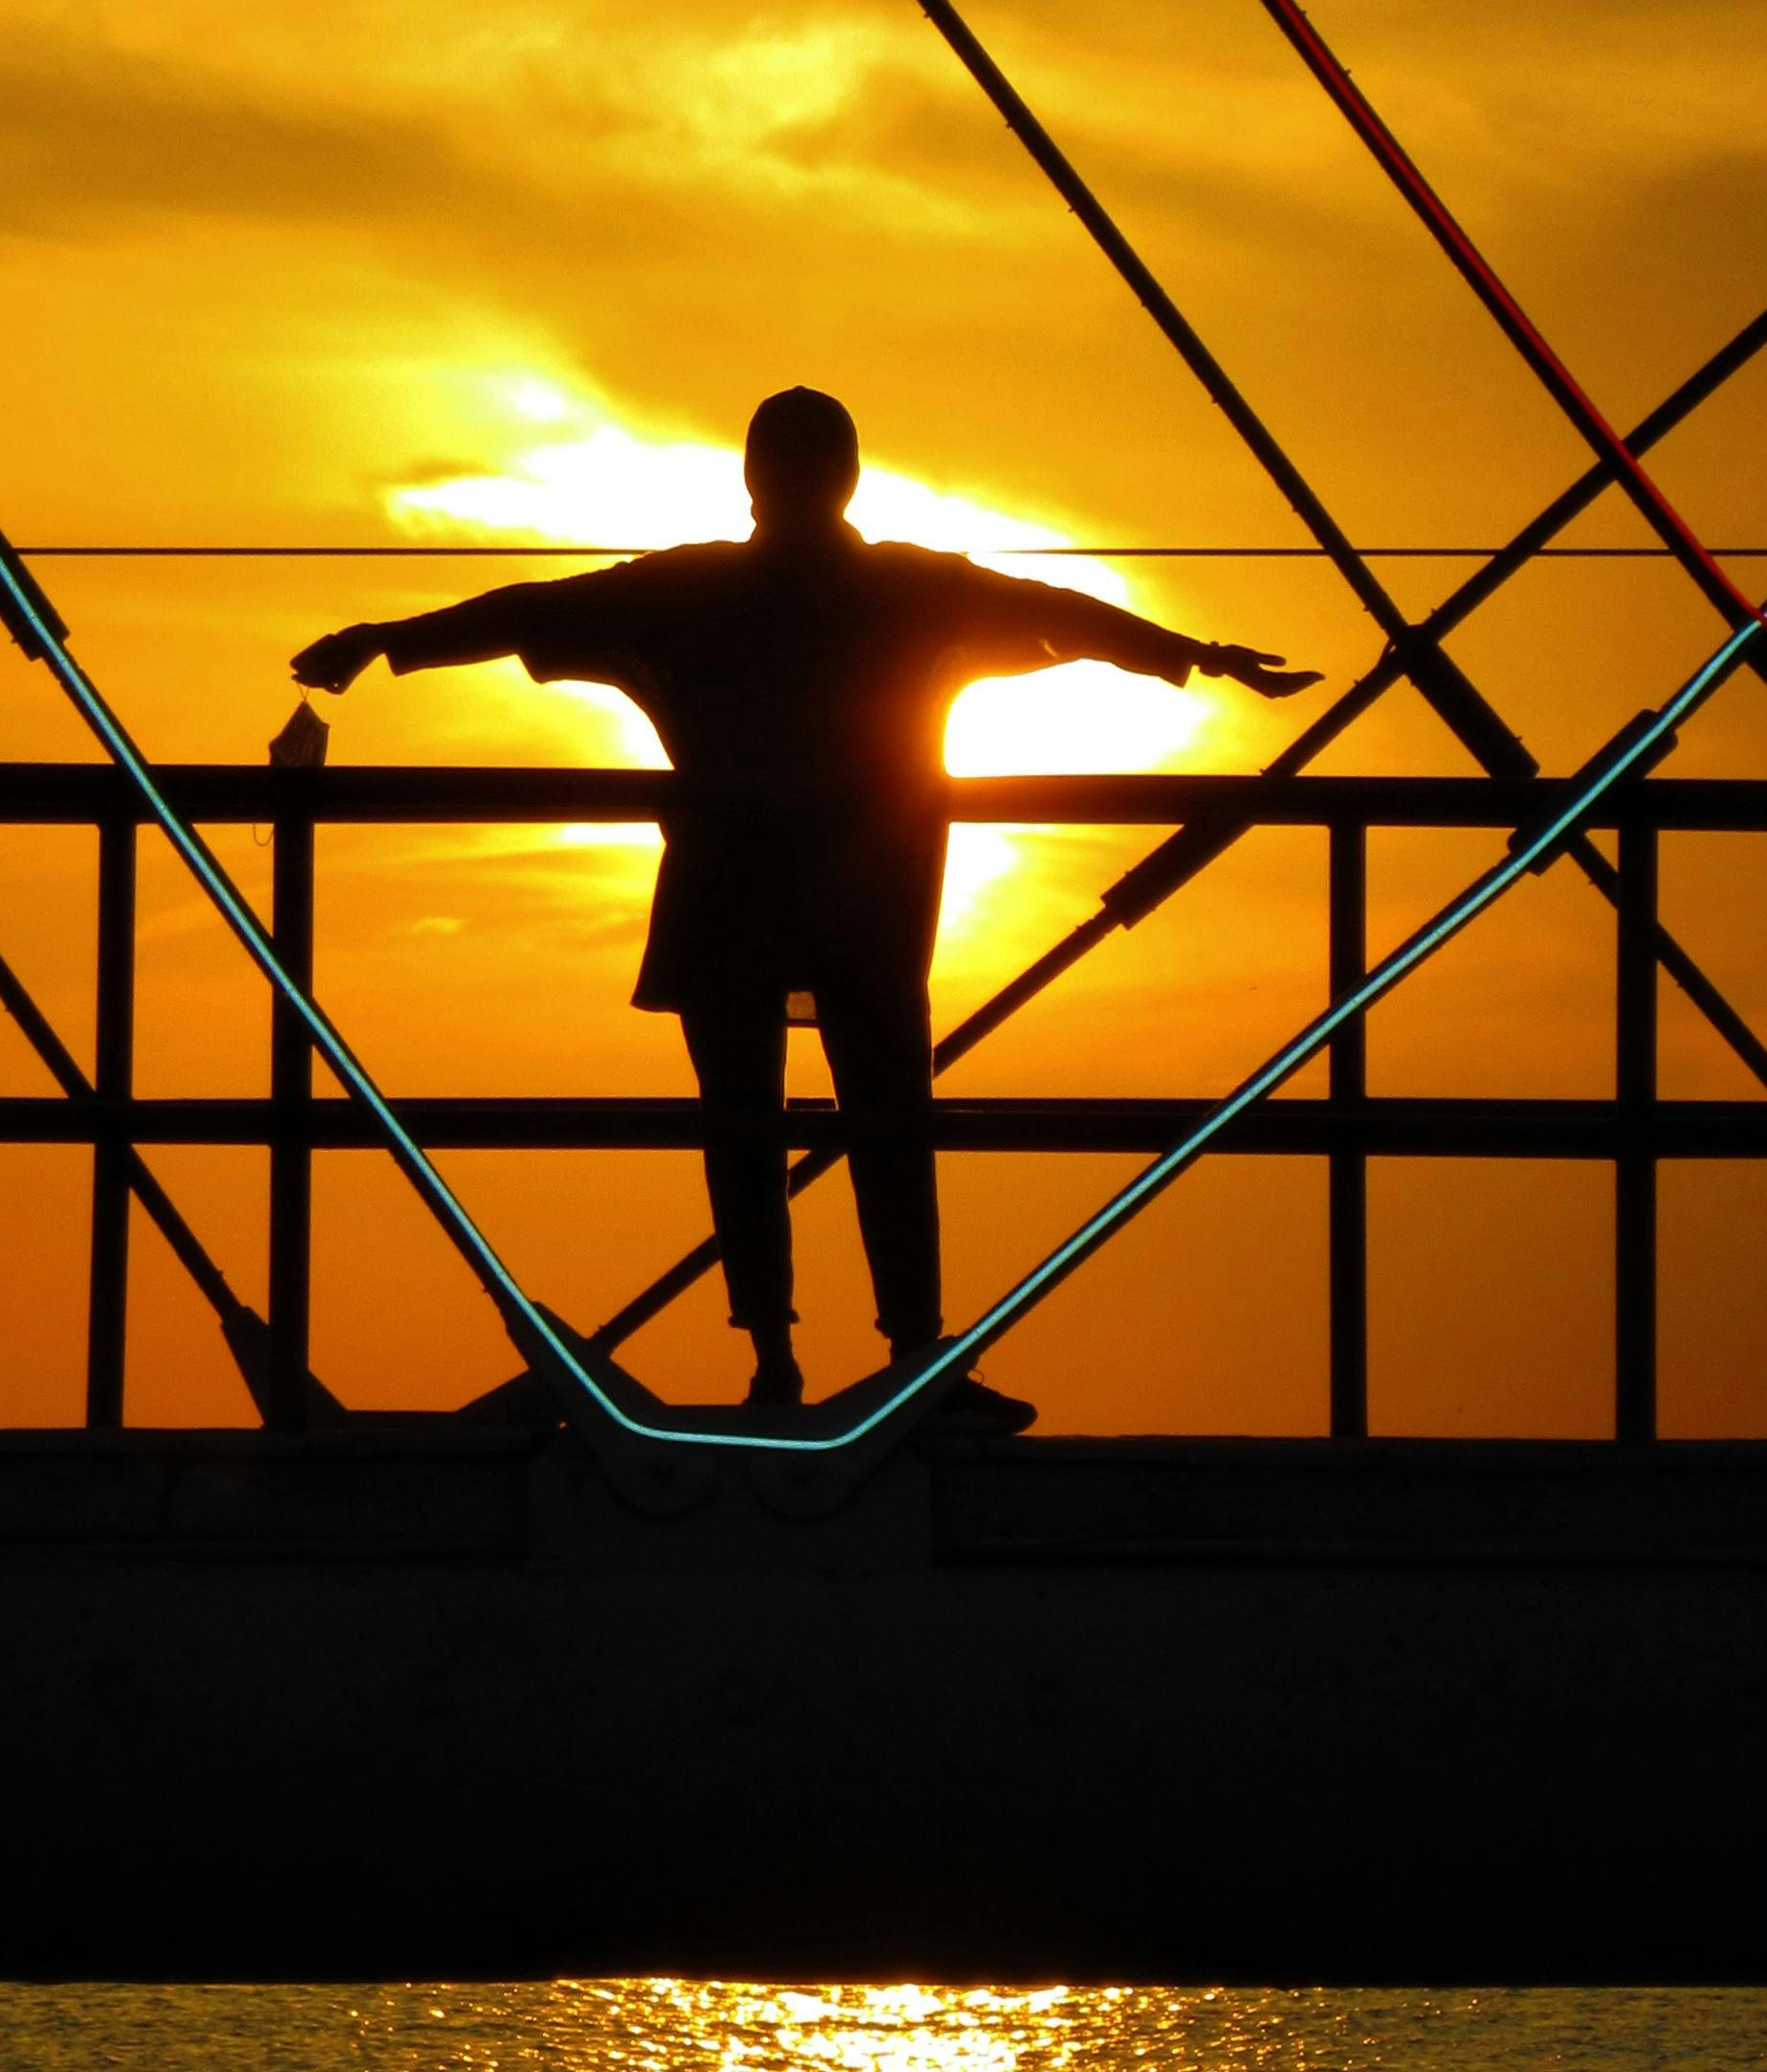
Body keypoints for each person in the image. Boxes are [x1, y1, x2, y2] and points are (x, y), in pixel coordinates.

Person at [296, 388, 1311, 1417]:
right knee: (882, 1121)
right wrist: (1197, 658)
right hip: (866, 904)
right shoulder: (903, 592)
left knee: (750, 1126)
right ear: (848, 479)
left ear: (755, 478)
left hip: (735, 895)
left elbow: (531, 611)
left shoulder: (694, 591)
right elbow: (1058, 619)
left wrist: (386, 639)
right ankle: (903, 1349)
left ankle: (782, 1358)